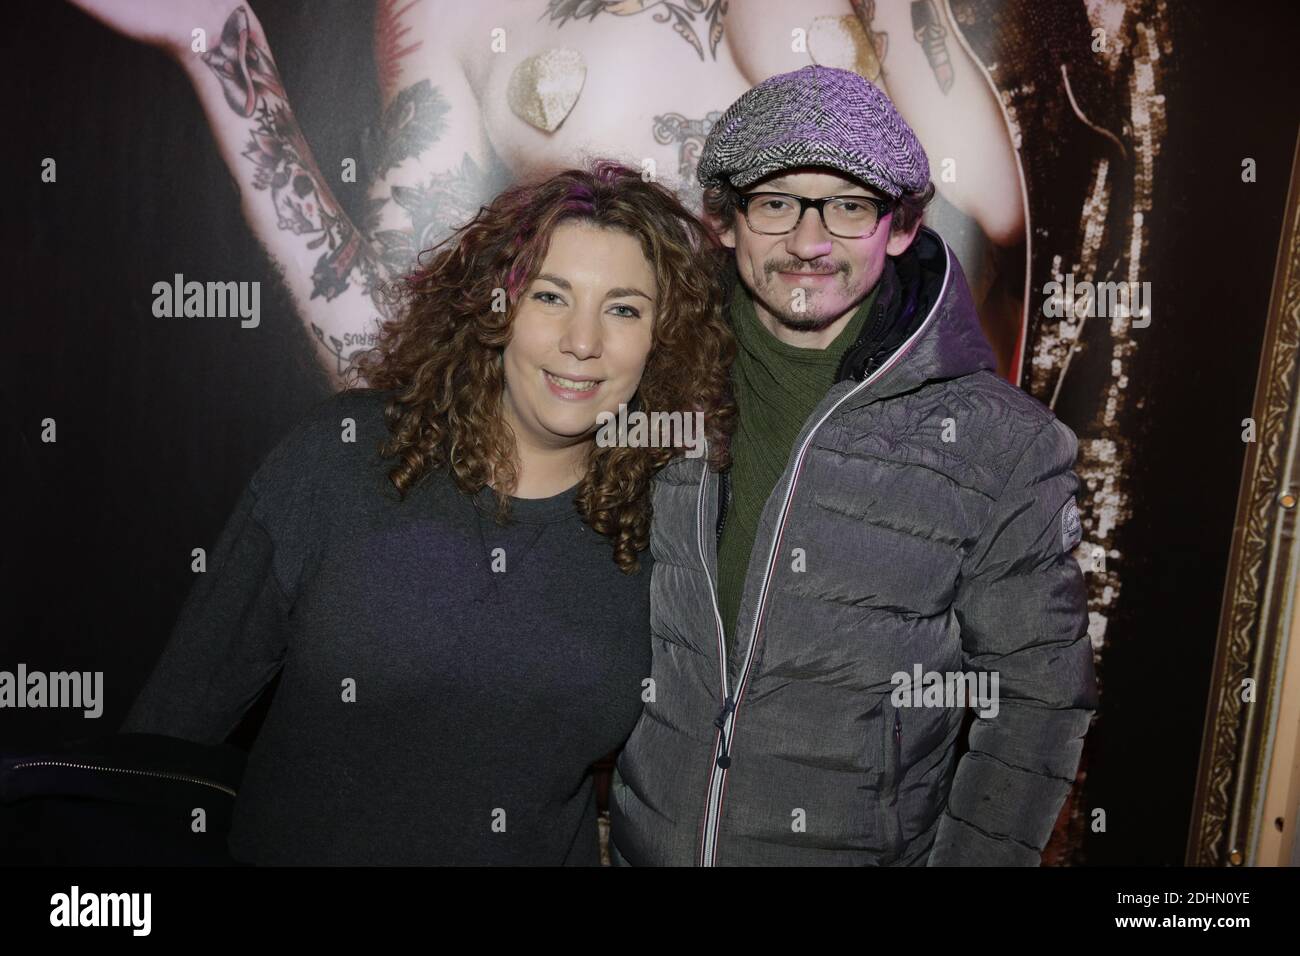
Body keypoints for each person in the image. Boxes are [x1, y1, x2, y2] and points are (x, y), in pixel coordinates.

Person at [119, 160, 736, 865]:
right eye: (550, 297)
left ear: (662, 338)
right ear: (492, 307)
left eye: (623, 308)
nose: (583, 341)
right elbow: (168, 735)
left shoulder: (672, 528)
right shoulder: (343, 457)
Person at [609, 65, 1098, 866]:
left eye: (847, 206)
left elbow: (1040, 703)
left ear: (899, 228)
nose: (809, 242)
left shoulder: (1002, 445)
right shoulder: (651, 382)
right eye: (775, 203)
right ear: (725, 220)